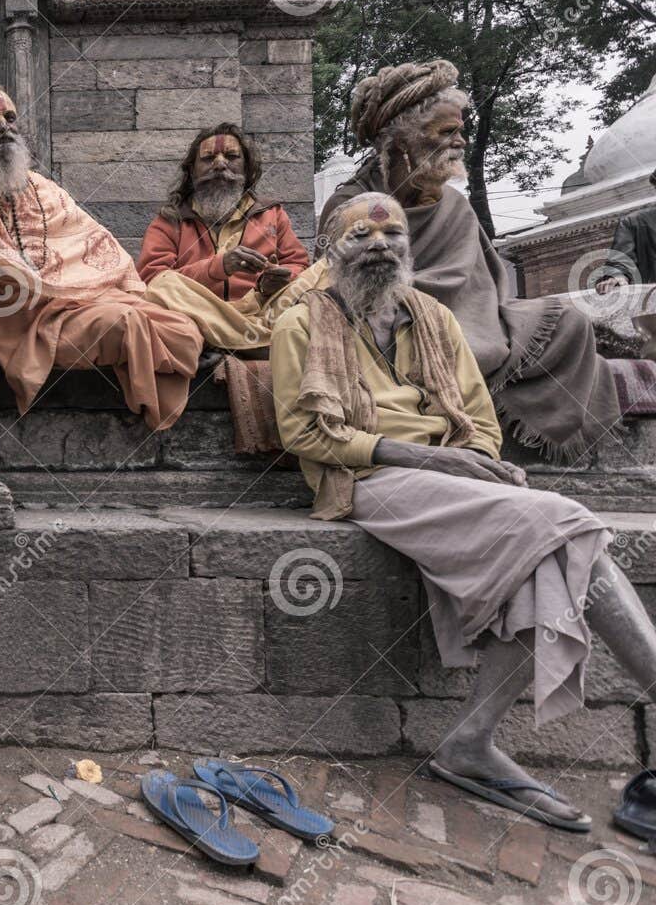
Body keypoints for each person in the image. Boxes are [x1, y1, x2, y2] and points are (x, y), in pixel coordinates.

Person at [271, 192, 656, 832]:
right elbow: (305, 435)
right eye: (358, 233)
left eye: (391, 232)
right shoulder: (301, 324)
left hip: (454, 478)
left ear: (408, 248)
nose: (378, 243)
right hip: (366, 478)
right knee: (564, 519)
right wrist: (432, 462)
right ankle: (475, 743)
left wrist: (475, 458)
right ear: (329, 251)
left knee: (549, 556)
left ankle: (470, 743)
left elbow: (477, 421)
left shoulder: (434, 319)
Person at [320, 59, 620, 462]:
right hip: (386, 324)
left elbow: (480, 288)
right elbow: (340, 285)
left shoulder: (456, 205)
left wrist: (456, 316)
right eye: (447, 132)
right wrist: (412, 307)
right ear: (404, 141)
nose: (460, 141)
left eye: (461, 130)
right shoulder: (349, 204)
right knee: (430, 342)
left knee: (571, 322)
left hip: (471, 318)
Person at [0, 86, 201, 428]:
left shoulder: (43, 188)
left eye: (9, 118)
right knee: (125, 325)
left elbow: (94, 243)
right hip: (19, 318)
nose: (2, 126)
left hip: (80, 303)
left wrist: (87, 289)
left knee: (183, 328)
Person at [138, 123, 309, 301]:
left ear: (247, 167)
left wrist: (276, 281)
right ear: (192, 170)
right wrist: (217, 267)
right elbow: (152, 280)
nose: (220, 164)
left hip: (262, 314)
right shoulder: (171, 219)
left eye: (231, 156)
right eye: (208, 157)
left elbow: (299, 265)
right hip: (192, 317)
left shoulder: (271, 214)